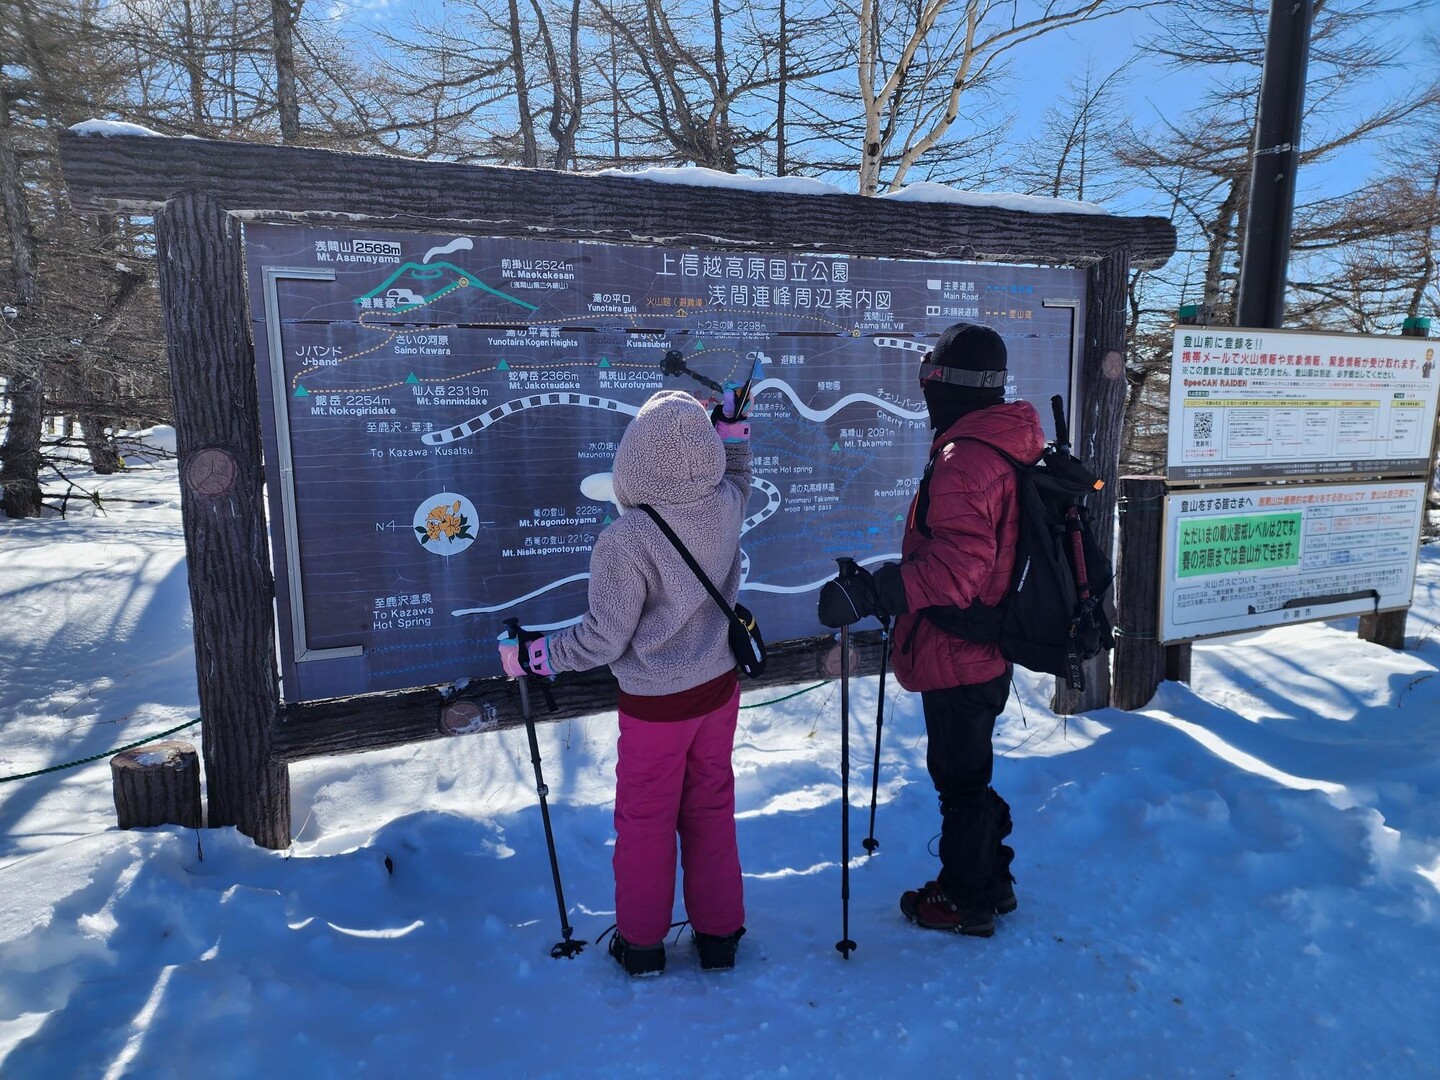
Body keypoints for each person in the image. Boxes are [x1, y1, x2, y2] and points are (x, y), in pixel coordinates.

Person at [499, 386, 752, 976]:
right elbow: (738, 472)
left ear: (633, 459)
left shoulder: (626, 540)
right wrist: (734, 430)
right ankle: (719, 938)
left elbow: (603, 639)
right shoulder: (725, 506)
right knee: (712, 808)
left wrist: (538, 657)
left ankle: (641, 945)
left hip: (655, 708)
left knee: (646, 822)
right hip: (718, 689)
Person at [817, 321, 1046, 938]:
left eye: (930, 382)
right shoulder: (1006, 441)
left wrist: (872, 590)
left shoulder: (965, 458)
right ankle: (991, 883)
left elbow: (959, 570)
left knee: (960, 781)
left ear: (946, 386)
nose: (925, 394)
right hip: (987, 640)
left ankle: (966, 899)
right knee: (969, 773)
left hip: (960, 644)